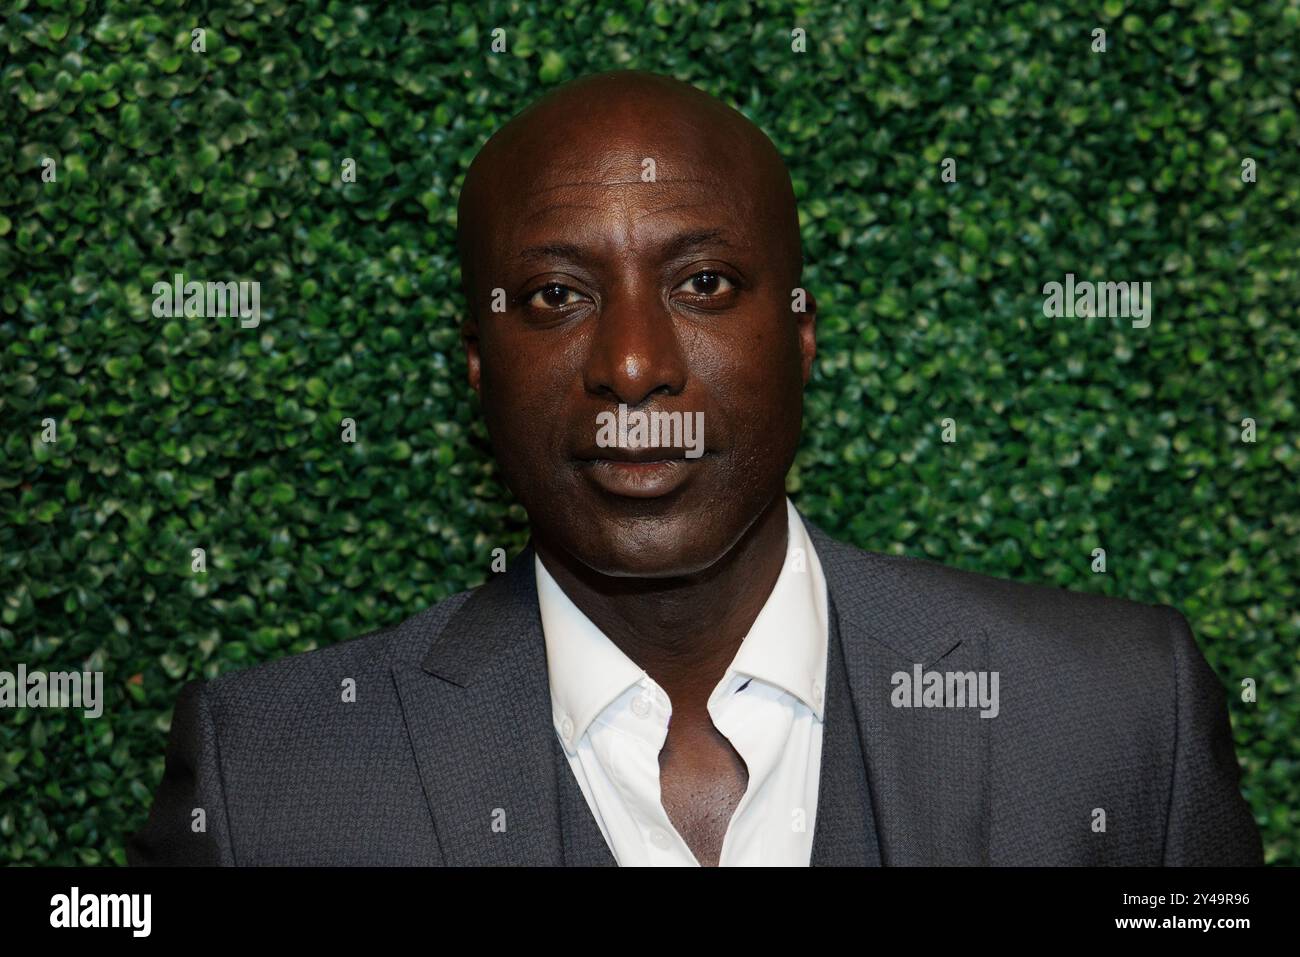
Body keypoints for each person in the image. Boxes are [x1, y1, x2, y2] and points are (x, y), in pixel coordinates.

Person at [128, 70, 1262, 867]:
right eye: (556, 297)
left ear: (803, 337)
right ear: (475, 364)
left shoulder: (1115, 717)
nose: (631, 364)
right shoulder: (270, 783)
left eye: (705, 283)